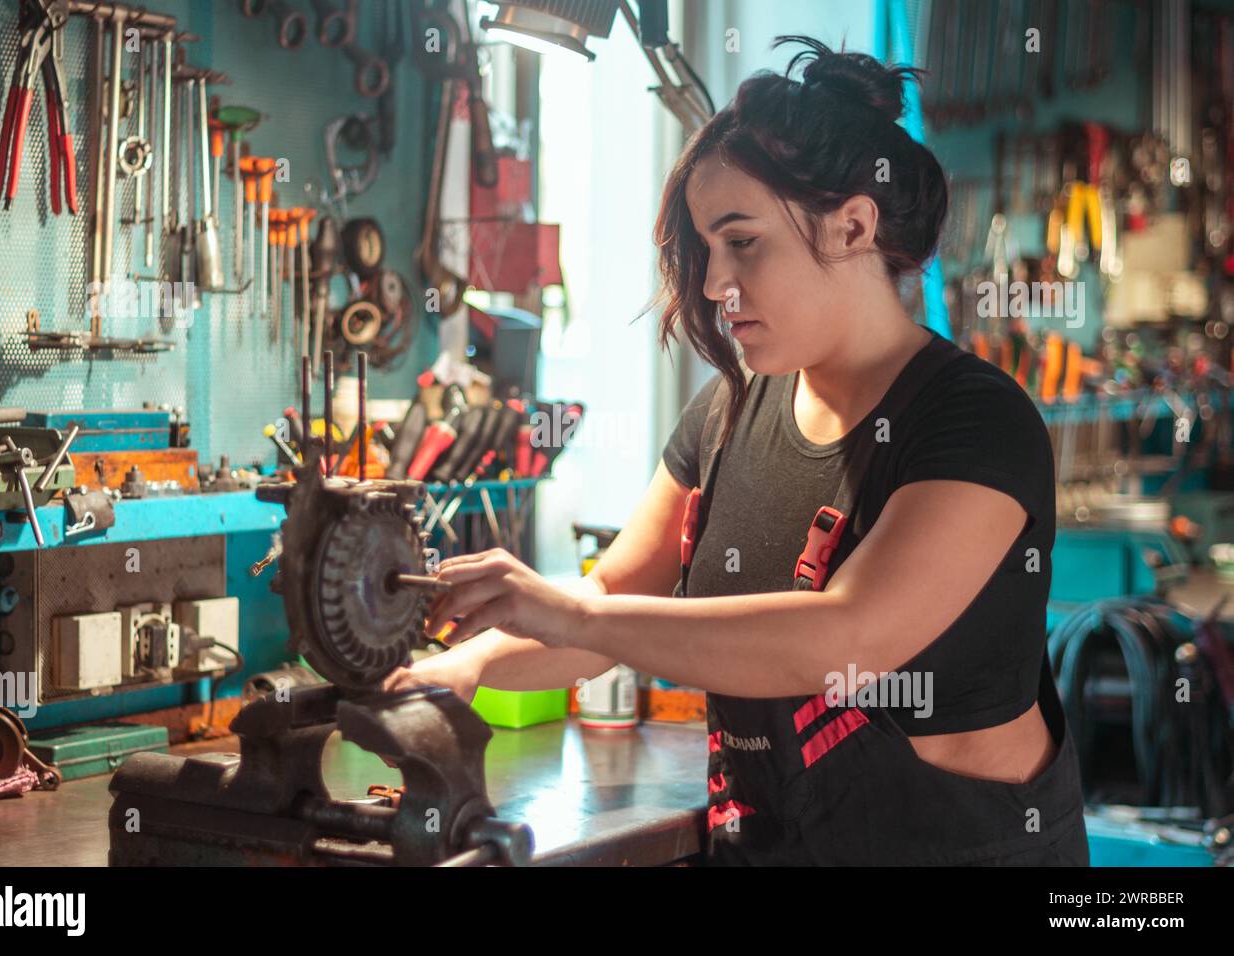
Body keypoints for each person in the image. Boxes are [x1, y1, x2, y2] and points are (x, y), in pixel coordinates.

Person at [384, 36, 1089, 866]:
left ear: (854, 223)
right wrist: (463, 667)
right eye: (706, 249)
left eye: (741, 241)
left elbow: (847, 638)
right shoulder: (728, 412)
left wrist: (570, 610)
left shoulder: (974, 422)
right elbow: (612, 600)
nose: (716, 283)